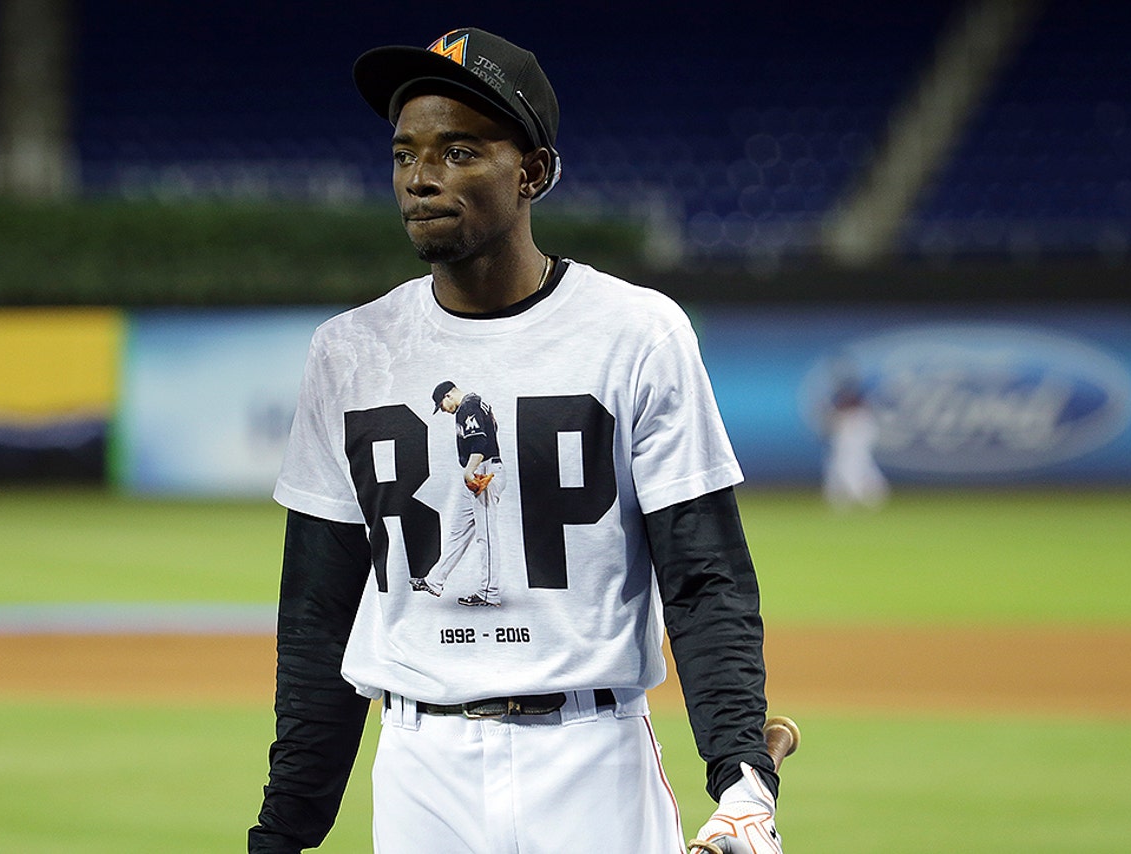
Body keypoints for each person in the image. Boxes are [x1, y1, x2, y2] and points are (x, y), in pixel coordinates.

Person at [250, 27, 783, 854]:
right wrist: (286, 830)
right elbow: (319, 614)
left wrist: (742, 771)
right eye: (404, 154)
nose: (421, 177)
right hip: (420, 768)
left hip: (592, 761)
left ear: (532, 172)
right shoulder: (348, 352)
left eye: (459, 151)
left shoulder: (637, 332)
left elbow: (704, 575)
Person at [409, 381, 506, 607]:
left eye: (441, 404)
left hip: (484, 471)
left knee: (486, 535)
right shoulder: (476, 403)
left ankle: (489, 592)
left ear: (449, 394)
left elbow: (480, 442)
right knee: (458, 531)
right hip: (482, 468)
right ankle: (435, 581)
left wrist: (470, 471)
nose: (442, 409)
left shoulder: (468, 407)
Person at [822, 369, 889, 510]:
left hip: (857, 432)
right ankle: (845, 501)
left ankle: (866, 498)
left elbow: (852, 410)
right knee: (844, 465)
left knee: (852, 465)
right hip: (852, 433)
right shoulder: (842, 398)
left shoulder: (855, 399)